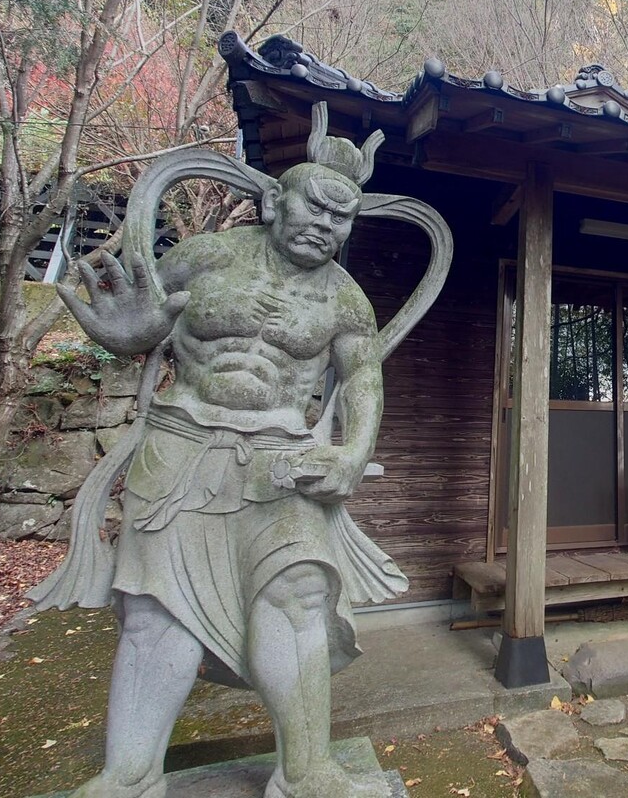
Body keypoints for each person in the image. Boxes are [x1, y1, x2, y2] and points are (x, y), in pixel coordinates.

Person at [50, 131, 406, 798]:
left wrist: (354, 453)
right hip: (181, 446)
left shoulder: (345, 298)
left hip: (280, 457)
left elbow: (363, 379)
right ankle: (129, 775)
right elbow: (146, 328)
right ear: (275, 200)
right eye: (316, 207)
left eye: (342, 215)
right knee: (157, 612)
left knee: (299, 591)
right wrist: (125, 333)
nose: (326, 225)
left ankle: (306, 770)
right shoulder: (206, 256)